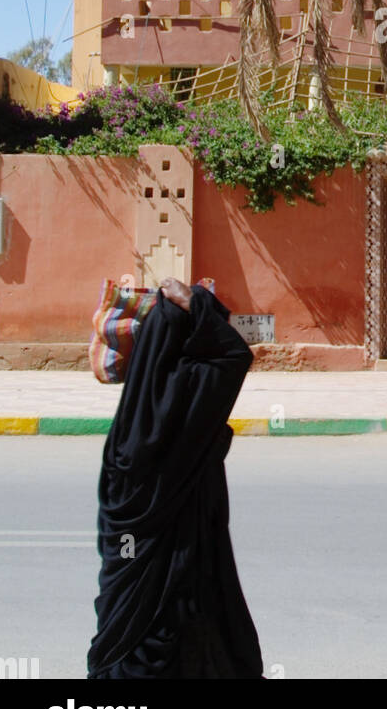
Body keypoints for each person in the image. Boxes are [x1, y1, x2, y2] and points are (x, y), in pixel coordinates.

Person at [87, 277, 263, 679]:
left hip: (131, 559)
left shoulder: (131, 422)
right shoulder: (188, 403)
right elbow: (234, 355)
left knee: (137, 630)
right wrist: (197, 302)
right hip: (178, 570)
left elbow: (123, 526)